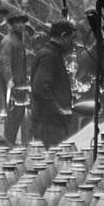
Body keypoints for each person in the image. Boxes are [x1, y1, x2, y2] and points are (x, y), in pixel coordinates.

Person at [30, 20, 77, 148]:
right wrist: (59, 110)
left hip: (51, 123)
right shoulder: (48, 56)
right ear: (62, 36)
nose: (73, 43)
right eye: (71, 38)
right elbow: (40, 89)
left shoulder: (52, 54)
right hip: (48, 124)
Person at [0, 9, 31, 144]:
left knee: (19, 117)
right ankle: (7, 146)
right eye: (17, 23)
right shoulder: (8, 41)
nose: (20, 26)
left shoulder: (19, 40)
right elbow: (4, 62)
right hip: (13, 88)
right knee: (12, 120)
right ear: (11, 25)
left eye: (22, 23)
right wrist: (9, 80)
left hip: (21, 86)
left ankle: (12, 144)